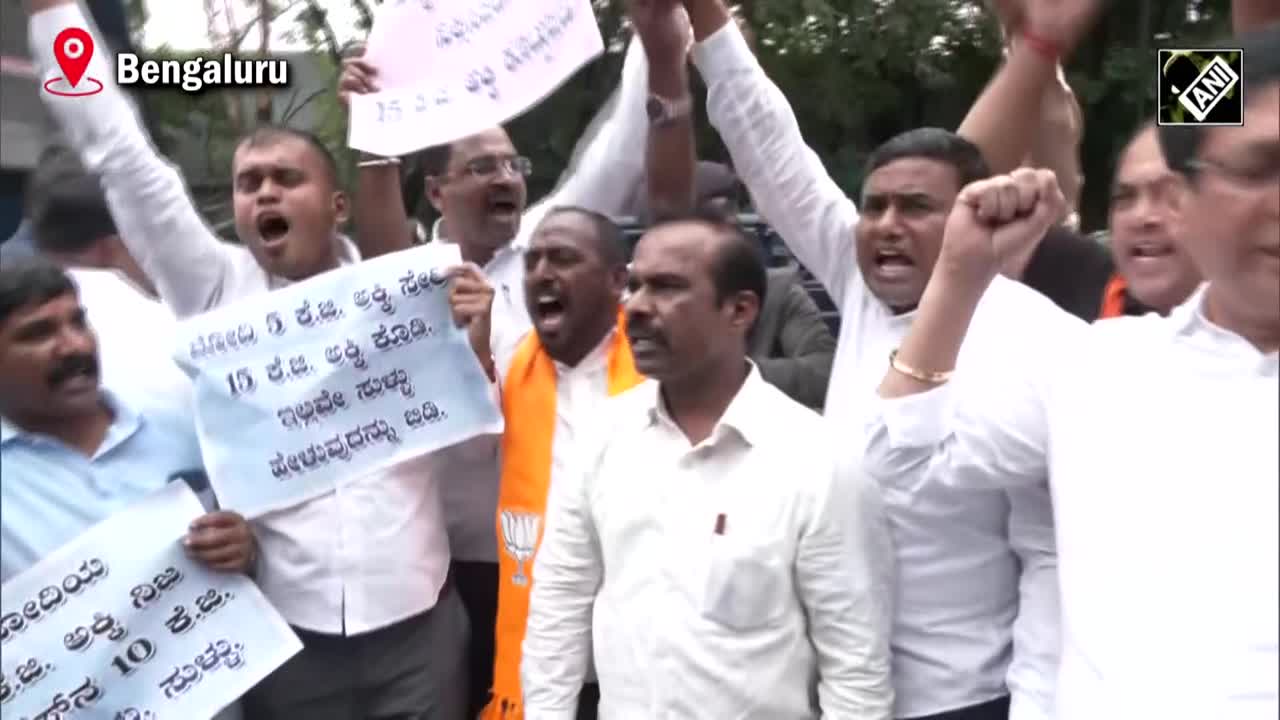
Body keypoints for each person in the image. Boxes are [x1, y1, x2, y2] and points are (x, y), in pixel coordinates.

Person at [30, 2, 470, 717]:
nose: (263, 190)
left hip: (421, 638)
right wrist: (55, 16)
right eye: (247, 182)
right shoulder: (215, 290)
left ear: (336, 207)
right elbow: (119, 151)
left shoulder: (406, 289)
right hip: (286, 648)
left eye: (284, 179)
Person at [678, 0, 1101, 717]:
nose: (885, 228)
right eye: (874, 207)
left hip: (968, 698)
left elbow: (1051, 556)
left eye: (915, 208)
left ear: (974, 216)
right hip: (836, 687)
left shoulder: (1041, 340)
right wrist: (704, 15)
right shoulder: (861, 283)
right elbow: (769, 145)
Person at [863, 26, 1278, 715]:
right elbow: (899, 460)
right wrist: (959, 275)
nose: (1148, 218)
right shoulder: (1097, 365)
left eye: (1160, 192)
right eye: (1256, 169)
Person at [338, 36, 651, 718]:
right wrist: (374, 123)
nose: (505, 178)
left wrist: (657, 44)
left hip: (573, 559)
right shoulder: (416, 276)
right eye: (482, 167)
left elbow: (623, 146)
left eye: (512, 164)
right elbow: (383, 251)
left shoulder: (549, 248)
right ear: (437, 191)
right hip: (455, 571)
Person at [522, 210, 894, 718]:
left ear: (740, 310)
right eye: (633, 285)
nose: (636, 307)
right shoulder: (601, 440)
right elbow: (557, 613)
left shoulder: (817, 460)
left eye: (667, 288)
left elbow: (856, 666)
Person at [0, 260, 253, 719]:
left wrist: (245, 546)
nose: (73, 346)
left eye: (78, 321)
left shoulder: (183, 428)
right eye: (38, 334)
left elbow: (257, 540)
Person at [459, 206, 643, 720]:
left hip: (642, 646)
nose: (542, 273)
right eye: (534, 261)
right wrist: (473, 344)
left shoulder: (660, 363)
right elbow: (473, 449)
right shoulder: (517, 363)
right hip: (545, 653)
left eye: (562, 259)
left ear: (616, 280)